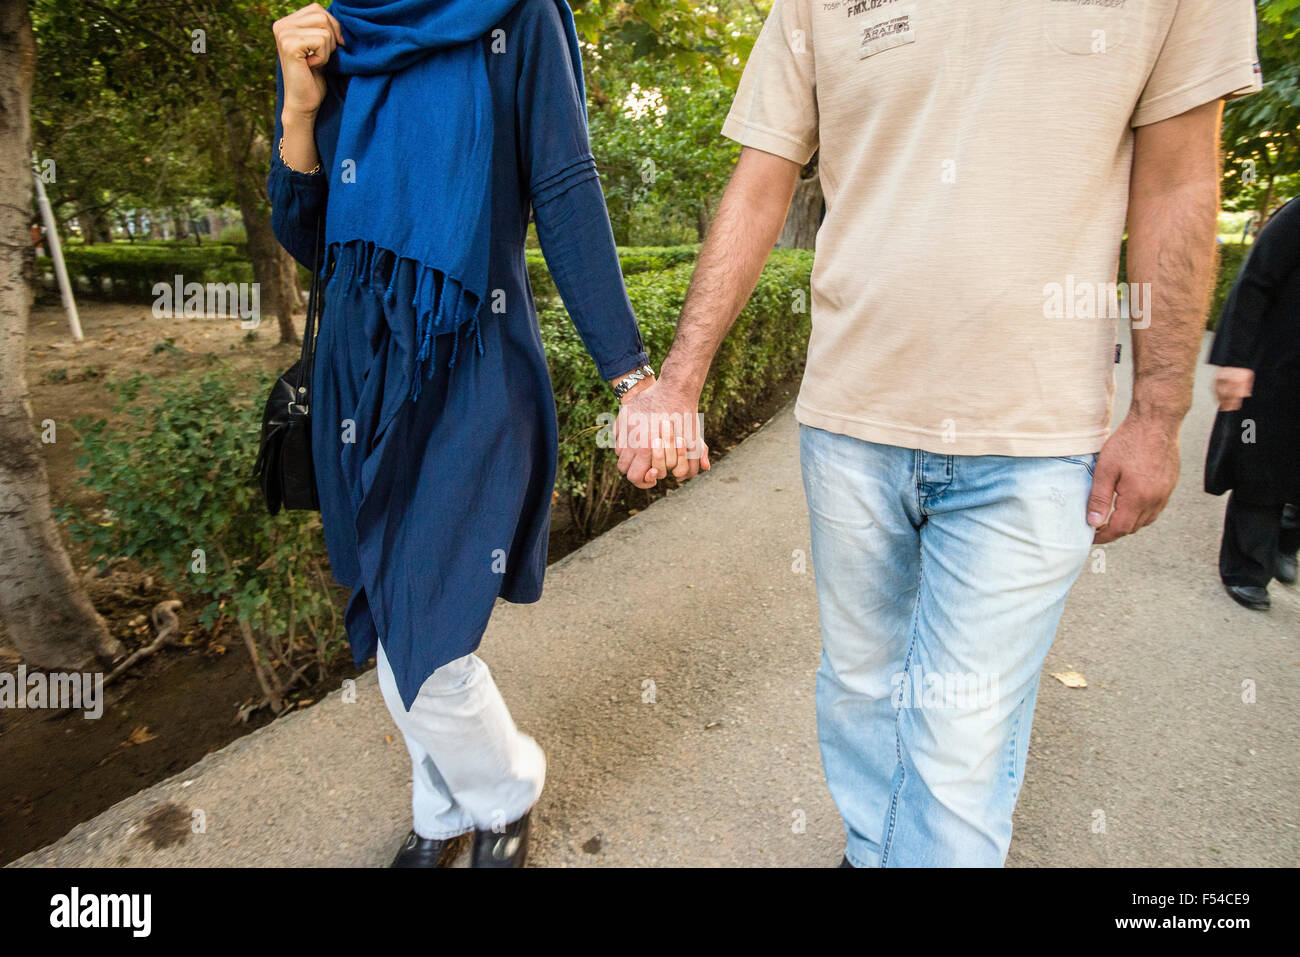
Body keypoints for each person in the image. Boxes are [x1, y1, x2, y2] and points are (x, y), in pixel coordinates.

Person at [617, 1, 1261, 866]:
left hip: (1034, 439)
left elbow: (1179, 178)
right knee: (859, 694)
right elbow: (764, 172)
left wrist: (1156, 412)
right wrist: (679, 379)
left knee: (957, 738)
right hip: (850, 423)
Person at [268, 0, 654, 868]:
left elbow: (562, 185)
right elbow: (307, 233)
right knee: (383, 597)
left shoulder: (518, 17)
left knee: (429, 611)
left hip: (467, 354)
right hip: (356, 366)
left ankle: (508, 787)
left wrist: (631, 376)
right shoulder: (341, 27)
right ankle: (441, 810)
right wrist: (298, 105)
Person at [1206, 198, 1300, 610]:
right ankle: (1247, 569)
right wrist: (1236, 360)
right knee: (1261, 460)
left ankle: (1286, 537)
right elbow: (1255, 279)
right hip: (1280, 366)